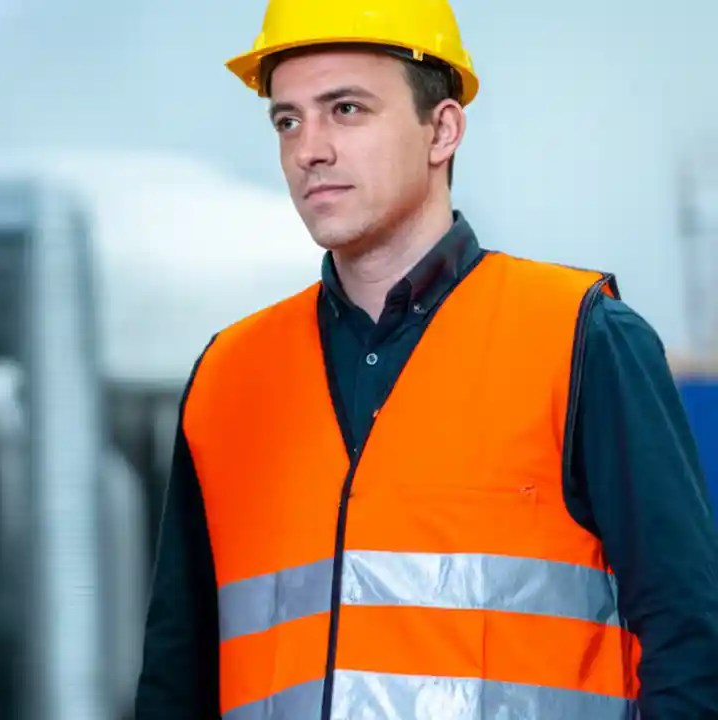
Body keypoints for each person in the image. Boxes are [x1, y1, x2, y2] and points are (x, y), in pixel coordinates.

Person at [133, 0, 718, 718]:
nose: (308, 148)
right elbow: (176, 678)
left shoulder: (581, 340)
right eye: (287, 120)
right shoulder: (229, 379)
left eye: (345, 109)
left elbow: (692, 642)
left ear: (442, 129)